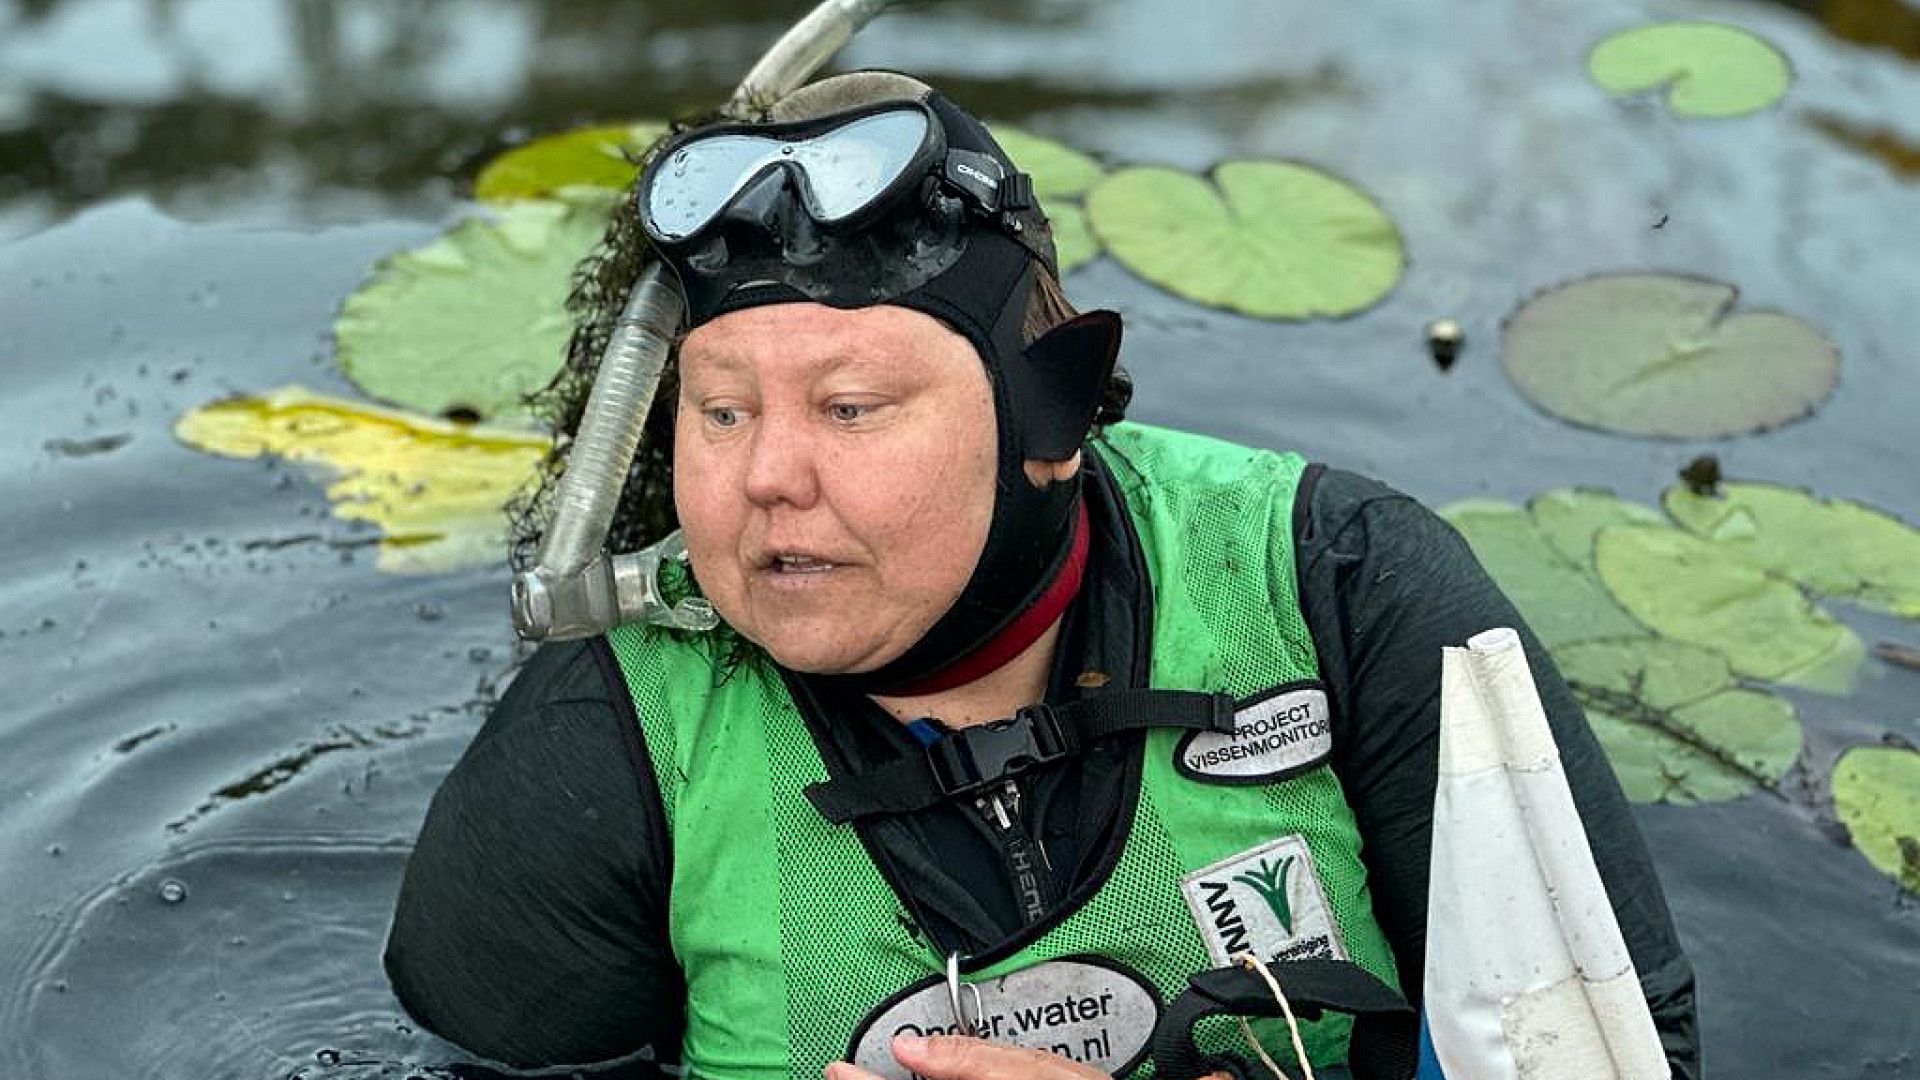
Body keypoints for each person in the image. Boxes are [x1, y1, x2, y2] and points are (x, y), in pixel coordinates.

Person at [384, 71, 1699, 1080]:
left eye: (849, 408)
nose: (766, 478)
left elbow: (1625, 1050)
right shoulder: (598, 747)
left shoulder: (1348, 589)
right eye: (724, 412)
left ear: (1053, 425)